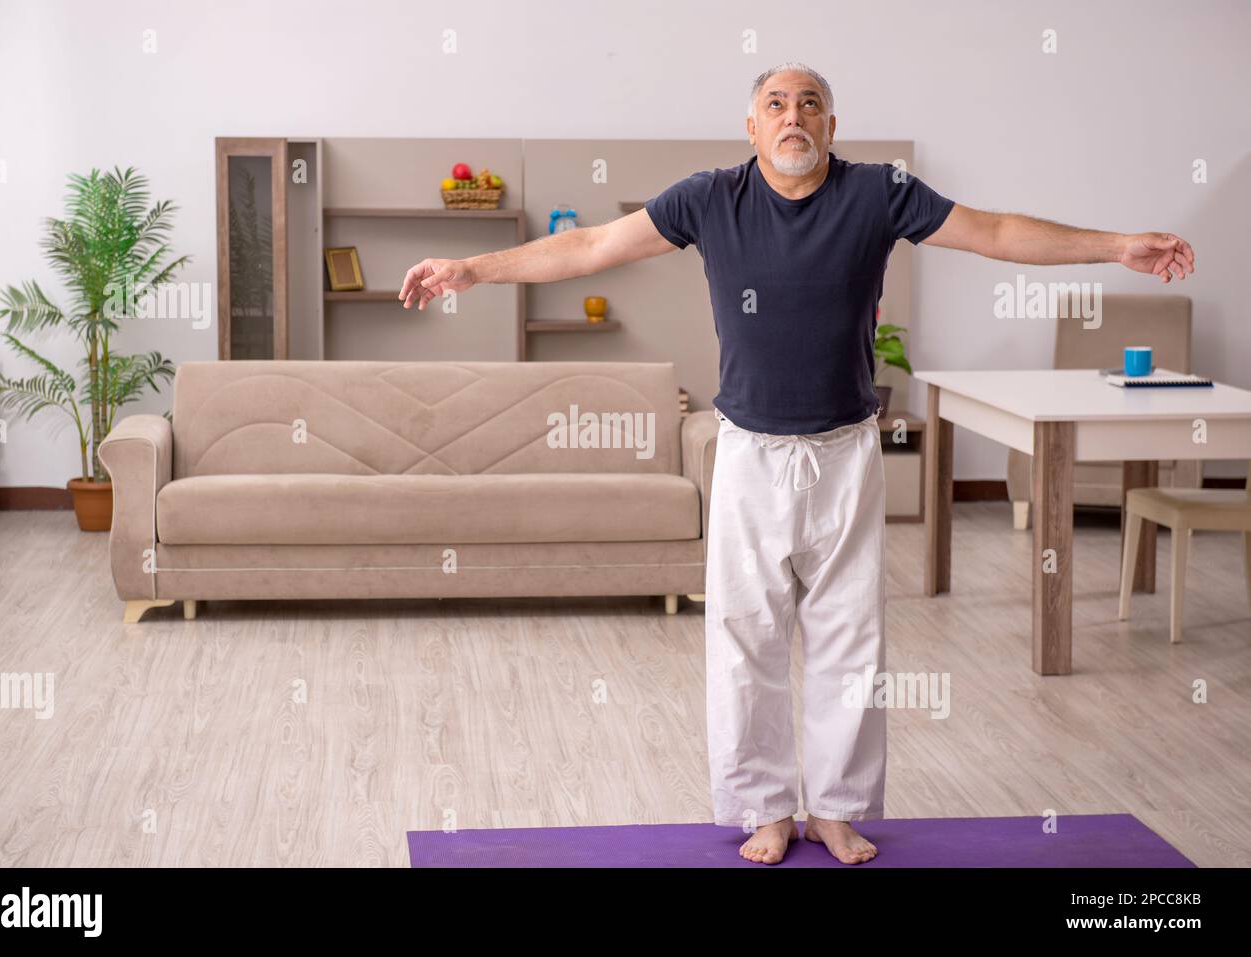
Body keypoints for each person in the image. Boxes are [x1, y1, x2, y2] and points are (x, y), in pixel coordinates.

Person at [397, 61, 1195, 866]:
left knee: (851, 636)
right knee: (747, 638)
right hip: (748, 450)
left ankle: (840, 808)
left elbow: (992, 231)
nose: (793, 116)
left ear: (830, 127)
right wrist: (473, 269)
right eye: (775, 104)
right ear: (752, 128)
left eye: (810, 104)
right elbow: (595, 245)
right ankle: (765, 807)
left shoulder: (879, 192)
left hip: (847, 449)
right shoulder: (708, 198)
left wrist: (1117, 244)